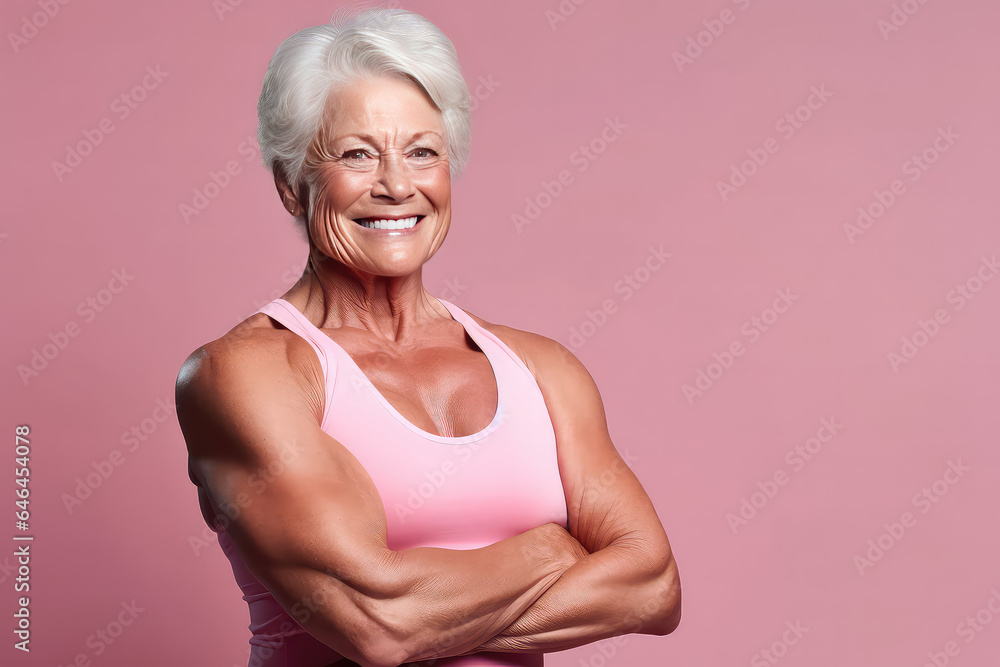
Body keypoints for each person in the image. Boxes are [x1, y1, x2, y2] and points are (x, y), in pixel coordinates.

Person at [175, 7, 680, 667]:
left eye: (422, 151)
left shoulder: (543, 370)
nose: (396, 185)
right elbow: (377, 626)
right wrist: (548, 549)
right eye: (357, 153)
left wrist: (431, 612)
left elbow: (653, 585)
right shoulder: (244, 374)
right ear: (291, 185)